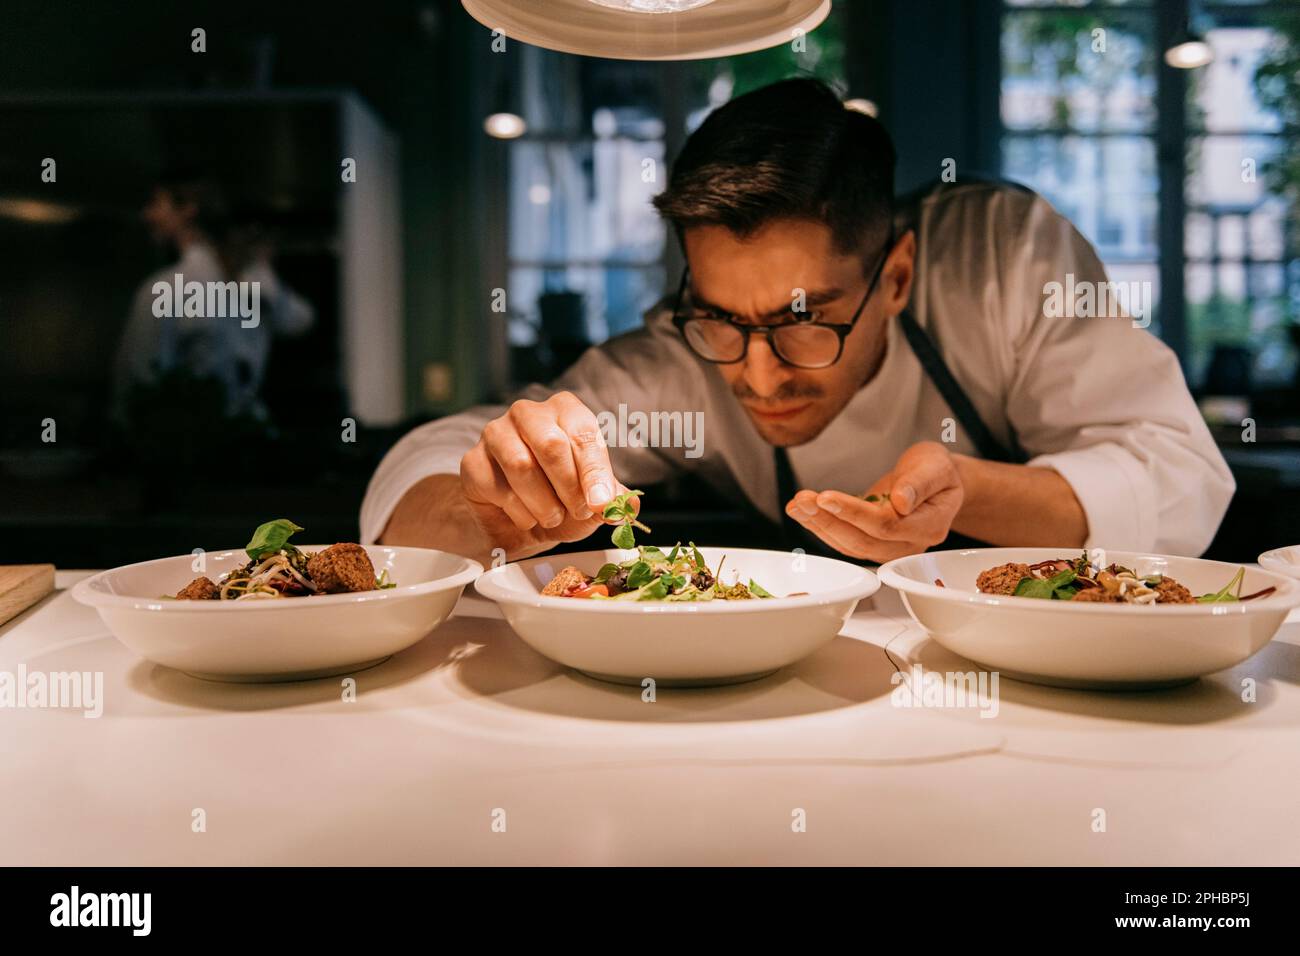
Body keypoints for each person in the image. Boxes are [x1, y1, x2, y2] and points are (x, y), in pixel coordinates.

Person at [362, 78, 1232, 566]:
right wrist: (501, 504)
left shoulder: (1002, 260)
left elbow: (1180, 475)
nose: (759, 373)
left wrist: (974, 489)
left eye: (802, 322)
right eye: (722, 319)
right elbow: (433, 465)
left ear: (895, 276)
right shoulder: (682, 360)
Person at [111, 172, 315, 422]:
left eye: (156, 204)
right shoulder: (252, 280)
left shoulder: (166, 288)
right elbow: (299, 321)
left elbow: (139, 378)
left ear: (188, 210)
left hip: (189, 441)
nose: (148, 214)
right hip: (246, 435)